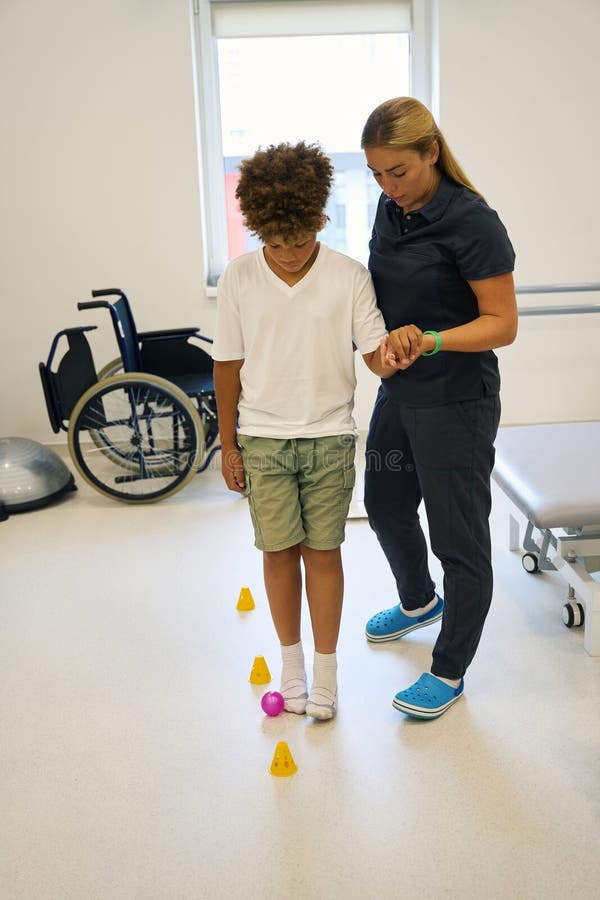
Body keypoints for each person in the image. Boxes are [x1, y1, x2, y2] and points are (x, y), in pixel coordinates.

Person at [212, 141, 393, 720]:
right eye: (277, 241)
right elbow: (227, 365)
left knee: (324, 550)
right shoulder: (239, 278)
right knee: (278, 551)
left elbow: (374, 355)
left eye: (301, 239)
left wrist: (398, 352)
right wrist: (229, 444)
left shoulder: (348, 276)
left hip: (330, 437)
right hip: (262, 438)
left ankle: (327, 671)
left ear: (318, 220)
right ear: (260, 228)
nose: (290, 253)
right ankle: (291, 665)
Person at [360, 97, 518, 719]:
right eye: (375, 173)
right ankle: (420, 600)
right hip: (401, 390)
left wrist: (430, 339)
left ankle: (449, 670)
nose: (386, 185)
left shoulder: (473, 222)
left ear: (431, 152)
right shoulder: (388, 208)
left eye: (397, 171)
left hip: (456, 400)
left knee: (460, 539)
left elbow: (502, 324)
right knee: (385, 504)